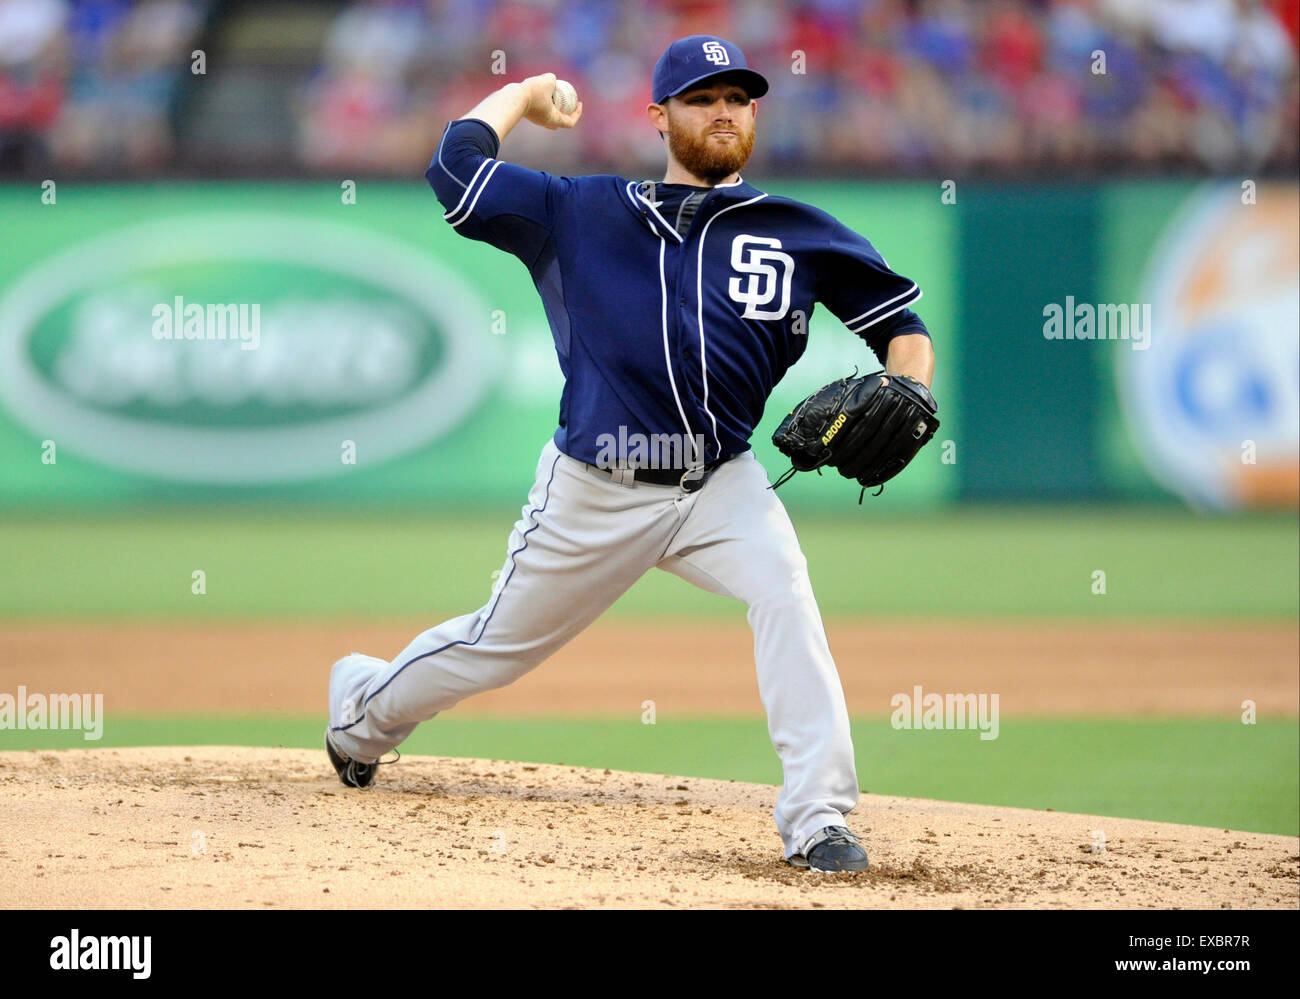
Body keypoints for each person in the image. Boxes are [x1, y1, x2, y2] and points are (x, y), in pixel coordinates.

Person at [326, 35, 936, 873]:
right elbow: (455, 168)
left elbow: (901, 326)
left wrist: (914, 387)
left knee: (787, 595)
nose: (724, 111)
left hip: (722, 481)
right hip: (595, 487)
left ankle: (817, 818)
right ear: (660, 116)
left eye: (739, 98)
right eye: (702, 98)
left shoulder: (796, 231)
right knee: (493, 647)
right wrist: (526, 94)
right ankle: (360, 712)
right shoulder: (580, 212)